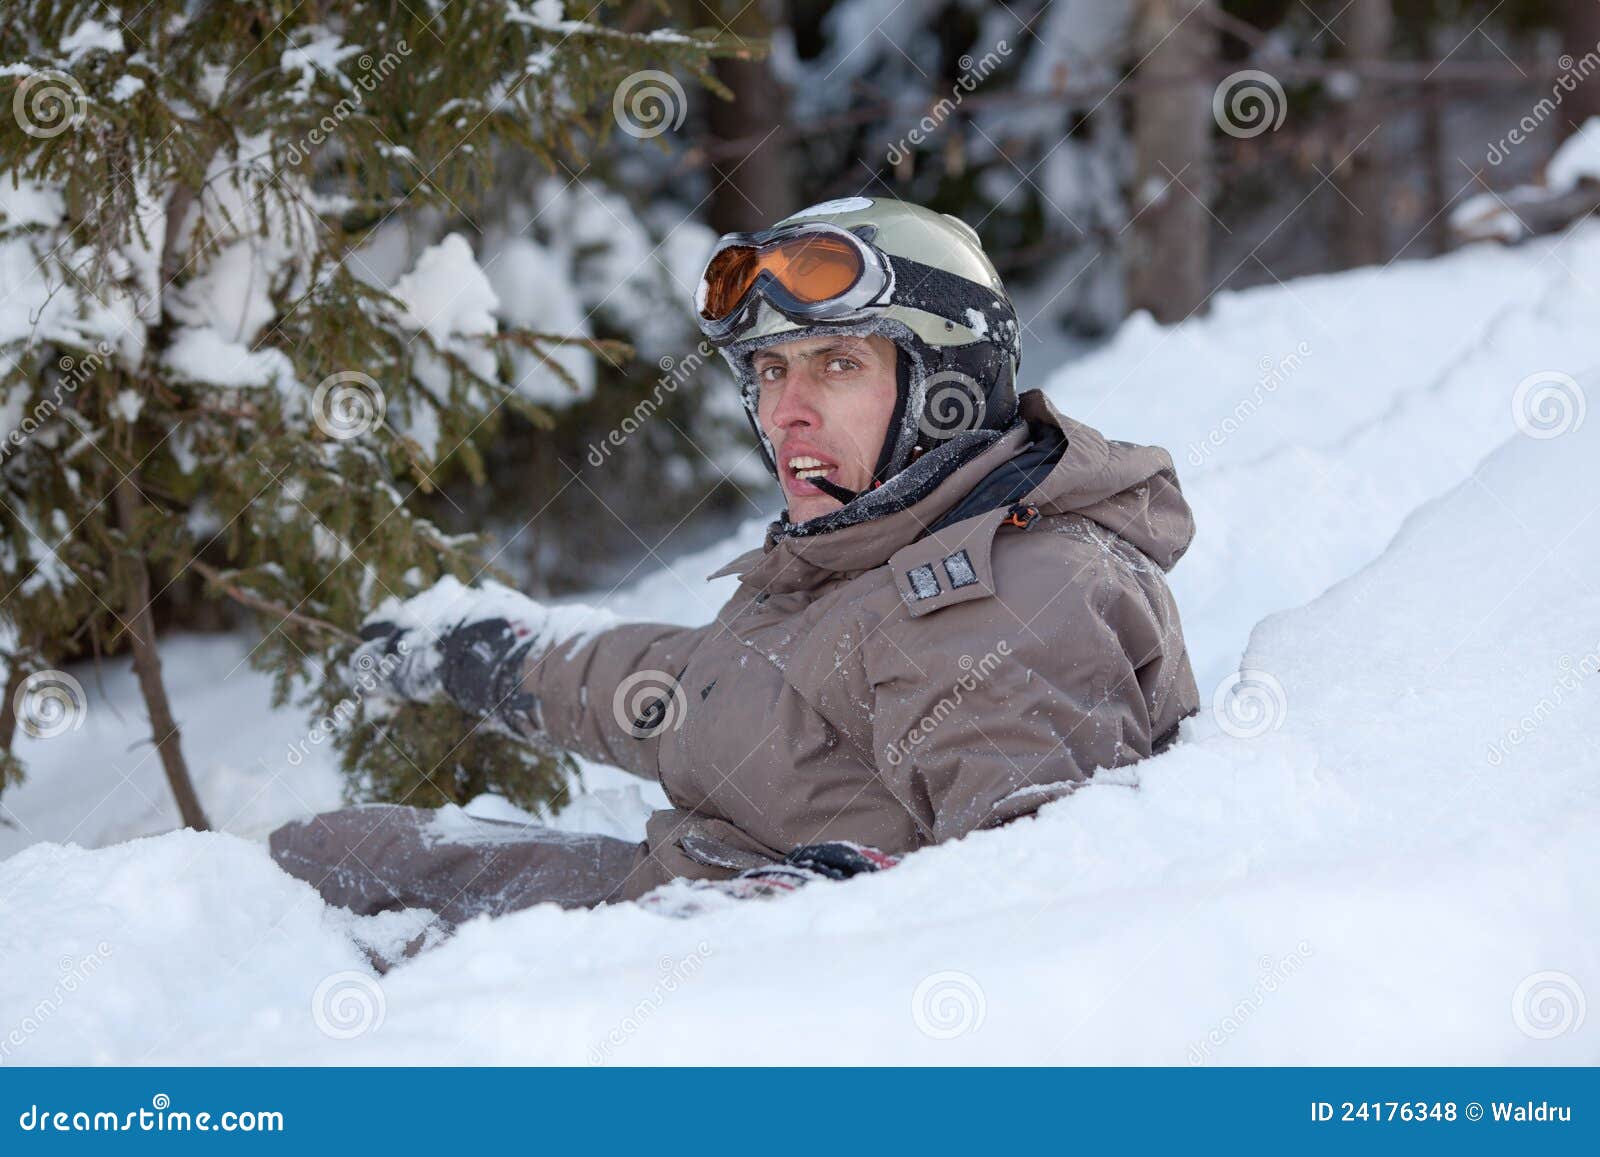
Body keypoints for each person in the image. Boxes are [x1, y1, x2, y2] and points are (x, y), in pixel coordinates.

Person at [270, 197, 1199, 936]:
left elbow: (1038, 920)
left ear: (949, 390)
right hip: (673, 907)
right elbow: (708, 696)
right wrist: (497, 656)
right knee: (334, 860)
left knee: (327, 905)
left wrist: (795, 913)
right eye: (767, 373)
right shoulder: (877, 548)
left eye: (835, 364)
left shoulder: (1012, 600)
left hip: (722, 992)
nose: (783, 411)